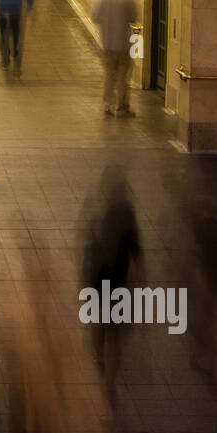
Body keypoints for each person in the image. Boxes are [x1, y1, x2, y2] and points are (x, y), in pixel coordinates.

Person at [81, 164, 141, 410]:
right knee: (114, 331)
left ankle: (98, 360)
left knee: (98, 320)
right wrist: (140, 279)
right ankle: (109, 382)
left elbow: (89, 245)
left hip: (98, 275)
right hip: (118, 277)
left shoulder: (97, 207)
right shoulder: (127, 212)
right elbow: (136, 251)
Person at [91, 0, 139, 117]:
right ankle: (122, 106)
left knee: (109, 75)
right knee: (123, 76)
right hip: (124, 44)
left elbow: (96, 18)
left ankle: (107, 105)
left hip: (106, 43)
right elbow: (133, 18)